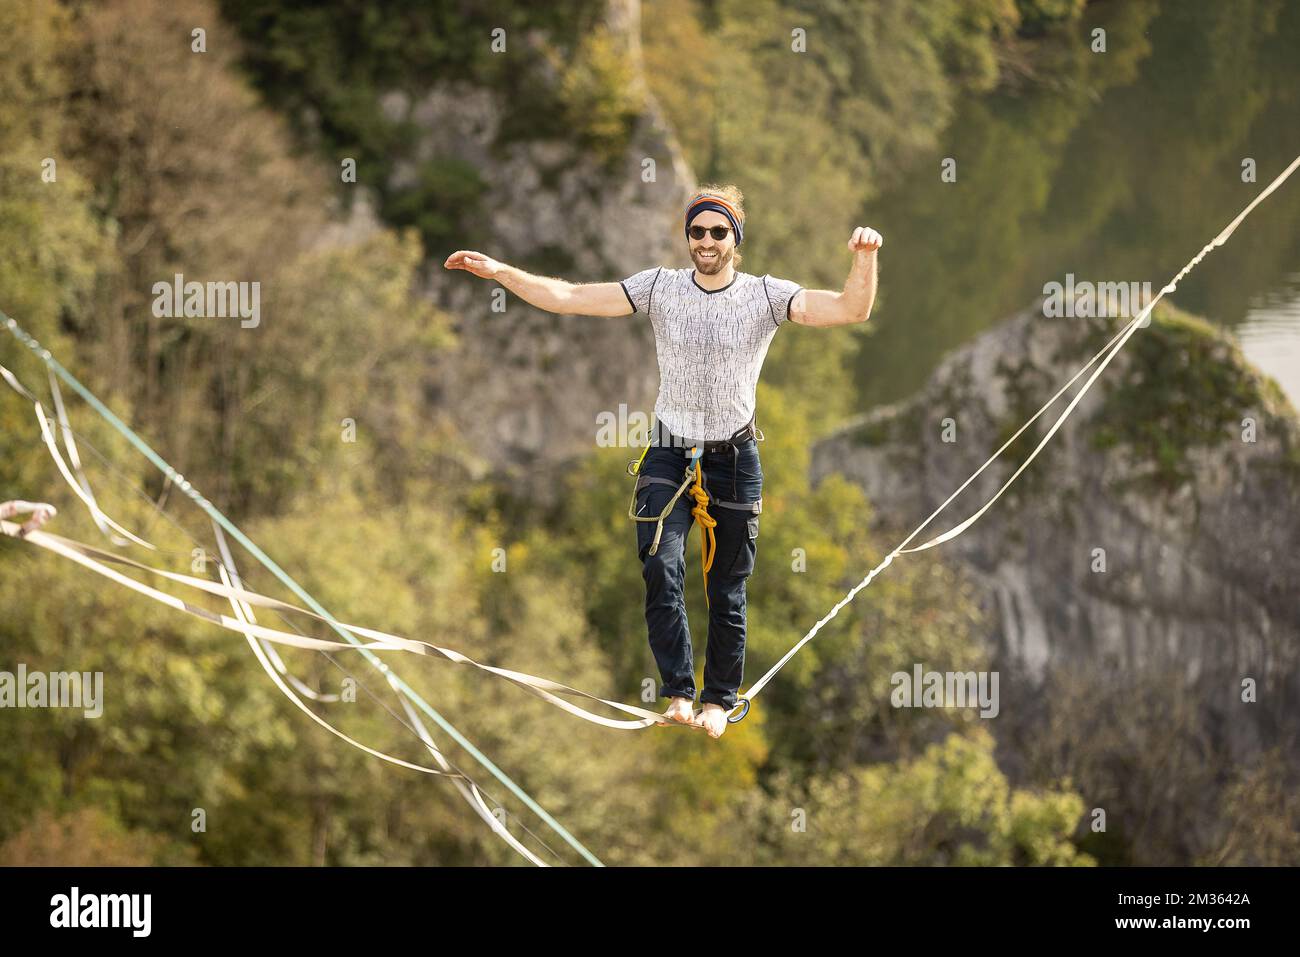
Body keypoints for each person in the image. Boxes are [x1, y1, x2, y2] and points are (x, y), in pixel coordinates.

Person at [445, 184, 880, 737]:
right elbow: (570, 298)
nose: (705, 241)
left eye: (717, 232)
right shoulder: (658, 288)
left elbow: (851, 309)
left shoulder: (766, 297)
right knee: (660, 563)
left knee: (727, 586)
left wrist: (864, 257)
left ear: (734, 239)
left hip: (734, 457)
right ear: (688, 237)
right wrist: (502, 272)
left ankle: (718, 700)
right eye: (697, 231)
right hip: (670, 452)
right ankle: (677, 691)